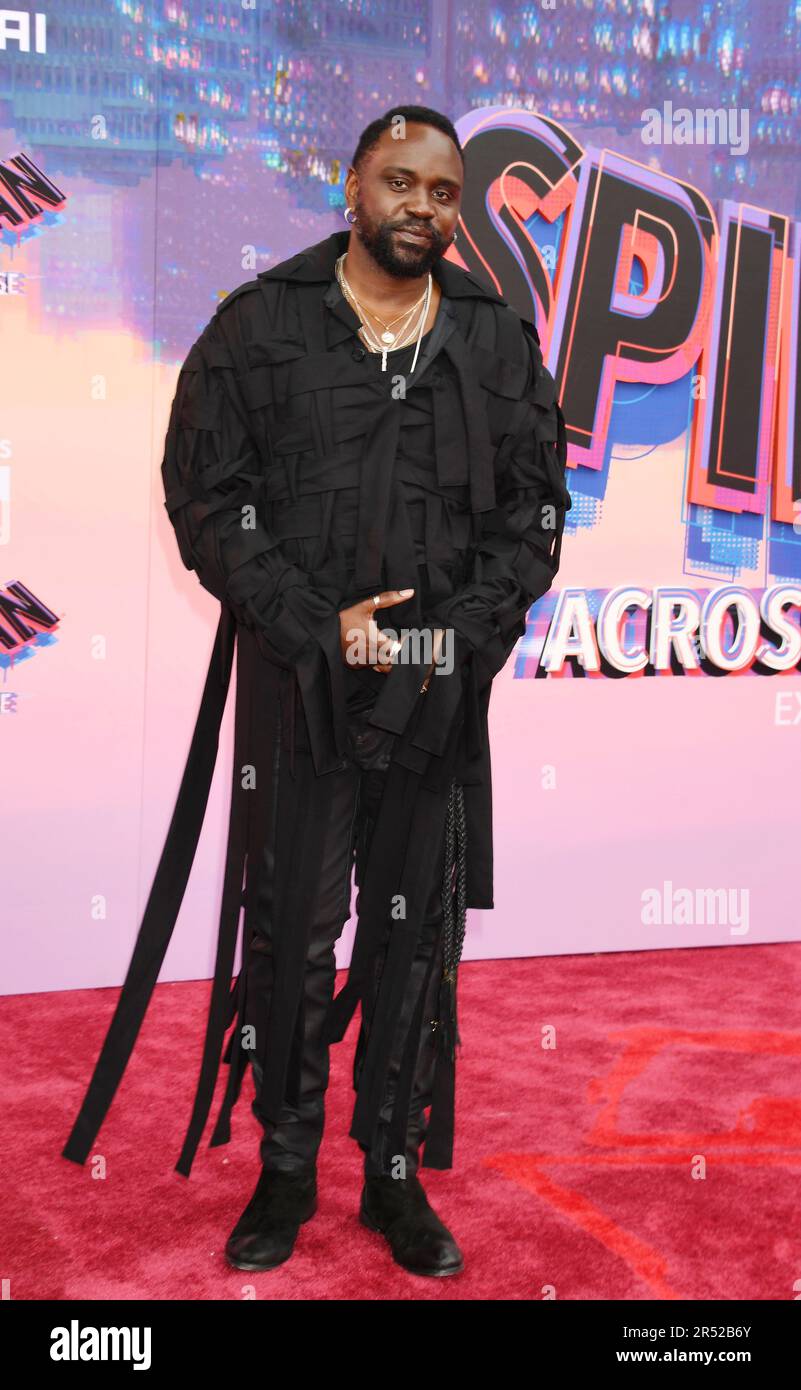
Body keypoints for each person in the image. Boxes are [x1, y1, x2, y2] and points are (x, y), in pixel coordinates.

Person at [62, 104, 571, 1279]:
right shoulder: (260, 326)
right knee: (292, 935)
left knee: (413, 940)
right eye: (400, 183)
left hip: (437, 692)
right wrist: (309, 623)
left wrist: (455, 635)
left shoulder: (497, 340)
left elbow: (539, 512)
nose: (423, 208)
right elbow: (207, 495)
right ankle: (285, 1165)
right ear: (351, 188)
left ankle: (392, 1174)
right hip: (301, 686)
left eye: (445, 193)